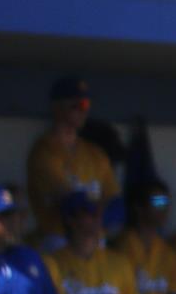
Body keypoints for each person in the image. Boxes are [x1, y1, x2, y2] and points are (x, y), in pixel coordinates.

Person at [25, 75, 118, 242]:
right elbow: (71, 203)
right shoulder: (44, 151)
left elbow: (115, 204)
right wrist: (94, 210)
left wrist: (96, 216)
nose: (84, 110)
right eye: (77, 105)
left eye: (86, 105)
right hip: (59, 237)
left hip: (94, 239)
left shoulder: (94, 153)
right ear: (57, 107)